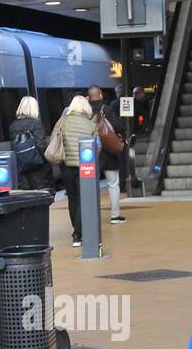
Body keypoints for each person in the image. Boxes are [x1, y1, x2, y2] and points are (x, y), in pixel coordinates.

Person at [57, 93, 97, 247]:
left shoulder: (62, 122)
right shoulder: (90, 124)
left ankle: (76, 233)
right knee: (83, 198)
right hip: (84, 167)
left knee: (72, 199)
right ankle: (79, 234)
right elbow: (97, 146)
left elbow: (54, 140)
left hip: (66, 167)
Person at [88, 86, 127, 224]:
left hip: (89, 153)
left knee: (89, 186)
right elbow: (118, 126)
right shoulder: (106, 108)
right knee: (113, 184)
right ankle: (115, 216)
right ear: (100, 94)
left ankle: (90, 217)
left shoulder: (85, 110)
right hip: (107, 152)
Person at [9, 95, 53, 191]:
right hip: (38, 170)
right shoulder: (36, 123)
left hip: (21, 169)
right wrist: (47, 161)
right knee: (41, 197)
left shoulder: (13, 125)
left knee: (26, 197)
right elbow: (41, 146)